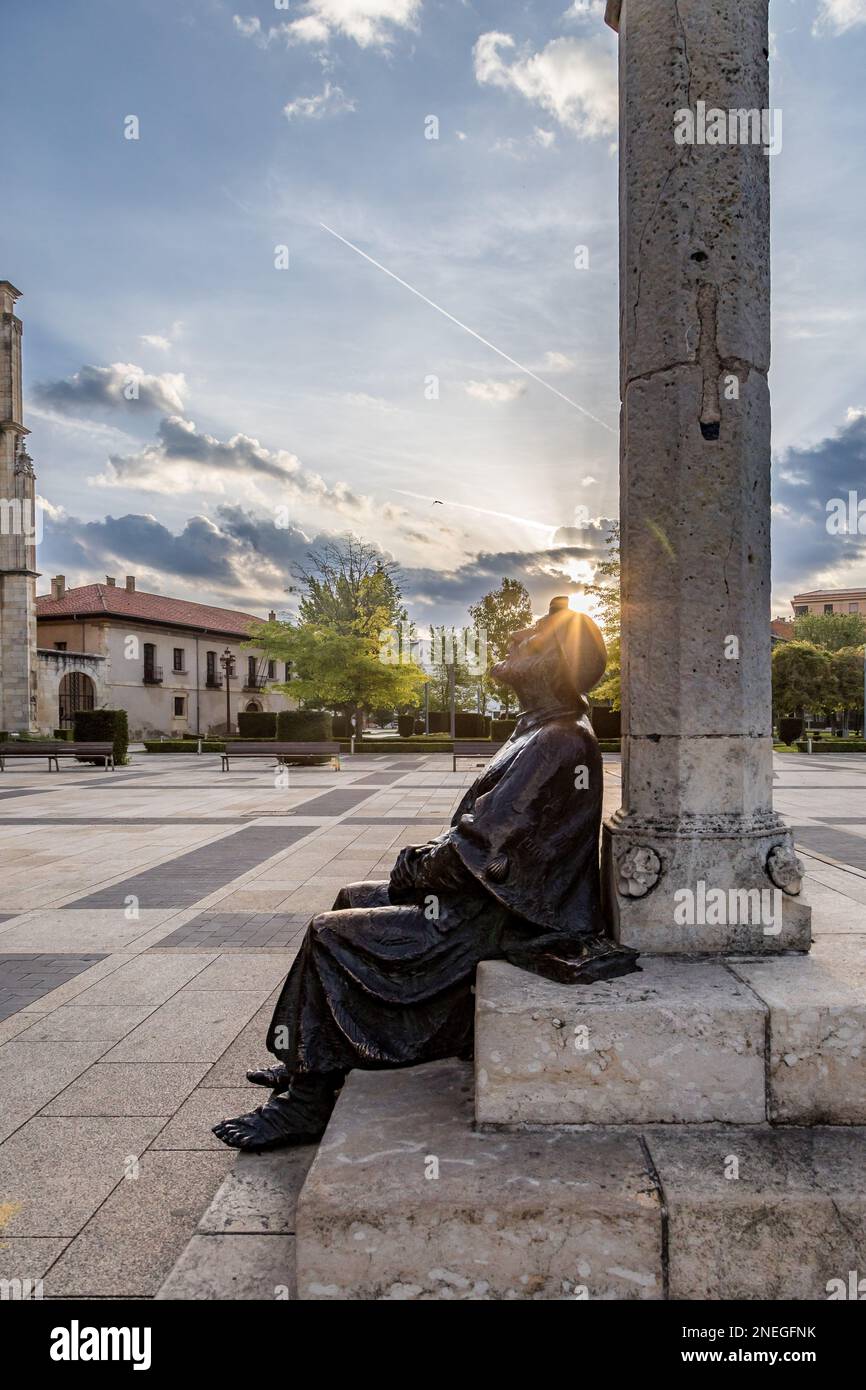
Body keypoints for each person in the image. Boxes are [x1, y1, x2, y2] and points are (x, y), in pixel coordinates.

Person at [213, 599, 638, 1151]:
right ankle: (309, 1055)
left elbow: (475, 851)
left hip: (508, 919)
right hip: (491, 903)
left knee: (329, 932)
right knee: (349, 898)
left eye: (531, 636)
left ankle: (307, 1100)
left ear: (555, 660)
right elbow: (482, 835)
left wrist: (414, 867)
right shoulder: (539, 730)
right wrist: (421, 866)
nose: (513, 636)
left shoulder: (557, 738)